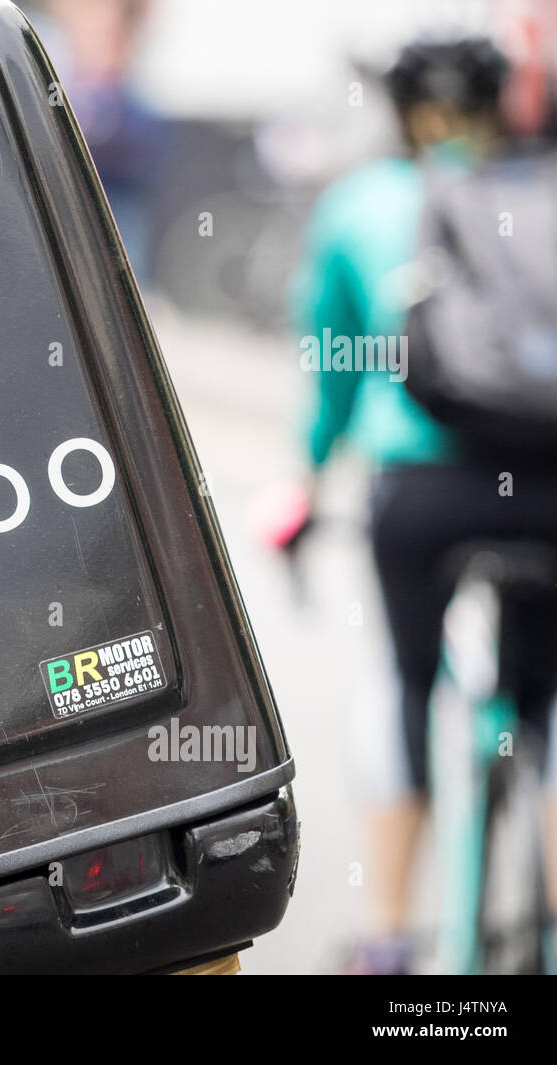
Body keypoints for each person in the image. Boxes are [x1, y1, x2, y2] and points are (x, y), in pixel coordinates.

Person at [291, 37, 557, 973]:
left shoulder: (359, 205)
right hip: (547, 485)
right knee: (551, 698)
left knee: (405, 682)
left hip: (419, 496)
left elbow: (327, 369)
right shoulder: (545, 194)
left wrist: (308, 482)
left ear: (402, 113)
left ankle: (393, 940)